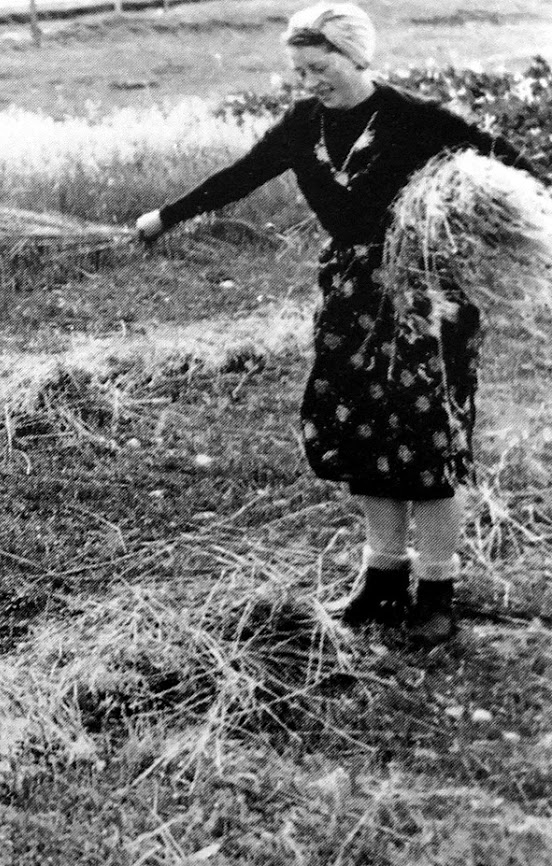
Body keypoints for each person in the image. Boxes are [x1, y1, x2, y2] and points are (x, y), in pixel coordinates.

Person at [134, 4, 546, 645]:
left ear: (357, 58)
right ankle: (382, 577)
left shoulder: (416, 118)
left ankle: (437, 591)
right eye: (299, 70)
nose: (308, 81)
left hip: (426, 297)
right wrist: (167, 216)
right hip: (352, 296)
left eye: (319, 67)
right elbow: (243, 175)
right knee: (362, 430)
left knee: (429, 434)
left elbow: (513, 163)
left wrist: (477, 220)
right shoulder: (305, 124)